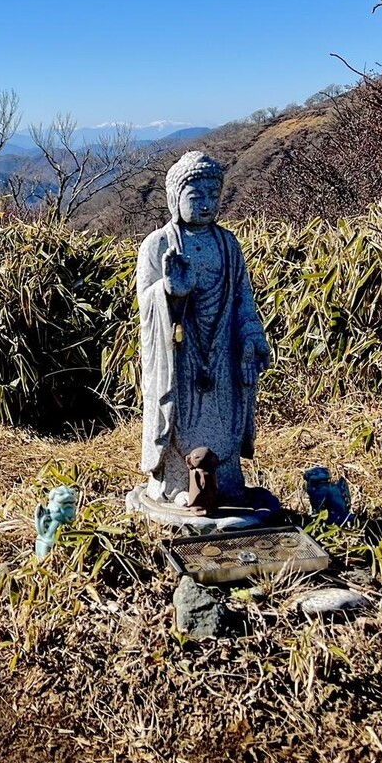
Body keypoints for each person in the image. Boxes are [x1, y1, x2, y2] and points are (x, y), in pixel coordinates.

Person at [136, 151, 270, 510]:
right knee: (179, 414)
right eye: (197, 197)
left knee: (224, 415)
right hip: (179, 351)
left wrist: (252, 334)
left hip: (222, 346)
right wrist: (168, 291)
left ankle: (225, 481)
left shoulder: (228, 244)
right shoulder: (158, 244)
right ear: (174, 199)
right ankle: (177, 481)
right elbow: (144, 305)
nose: (208, 204)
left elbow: (243, 296)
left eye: (214, 196)